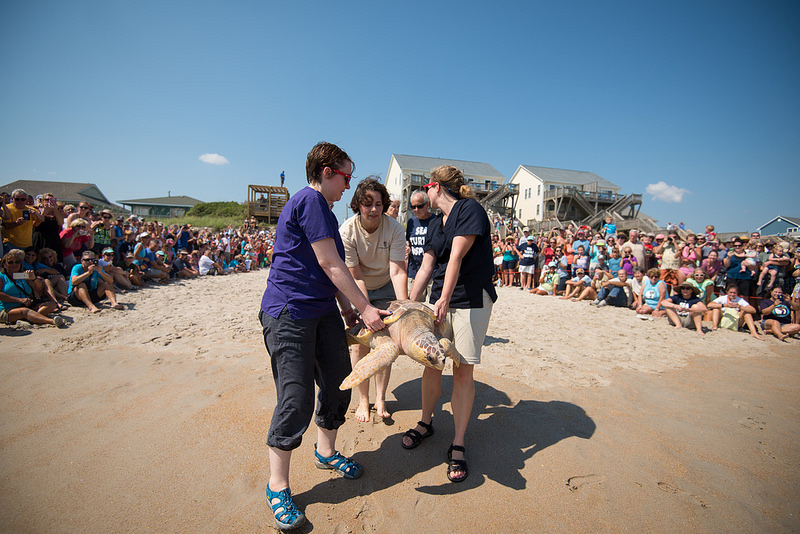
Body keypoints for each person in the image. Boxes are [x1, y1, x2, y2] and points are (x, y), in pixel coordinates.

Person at [259, 142, 389, 531]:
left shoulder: (327, 213)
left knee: (339, 383)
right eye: (346, 177)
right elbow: (330, 263)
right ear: (327, 170)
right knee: (295, 398)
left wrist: (348, 308)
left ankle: (326, 451)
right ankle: (277, 485)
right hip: (288, 312)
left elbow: (329, 270)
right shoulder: (310, 201)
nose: (348, 186)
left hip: (321, 311)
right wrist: (366, 309)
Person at [402, 164, 497, 484]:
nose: (424, 193)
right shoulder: (435, 223)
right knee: (431, 363)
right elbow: (427, 264)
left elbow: (456, 256)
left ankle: (458, 442)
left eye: (426, 186)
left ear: (437, 187)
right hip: (443, 301)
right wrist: (410, 304)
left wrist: (442, 299)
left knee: (461, 370)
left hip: (470, 301)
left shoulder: (469, 209)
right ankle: (426, 422)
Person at [340, 177, 408, 421]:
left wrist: (404, 308)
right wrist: (365, 308)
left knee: (385, 344)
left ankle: (380, 397)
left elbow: (398, 271)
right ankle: (363, 399)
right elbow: (355, 276)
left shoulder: (395, 228)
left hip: (387, 285)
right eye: (367, 204)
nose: (374, 210)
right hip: (359, 287)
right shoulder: (347, 231)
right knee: (360, 343)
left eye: (379, 204)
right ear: (358, 205)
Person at [0, 249, 64, 327]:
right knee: (25, 311)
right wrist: (19, 300)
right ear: (4, 265)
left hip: (26, 305)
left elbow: (38, 288)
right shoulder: (1, 277)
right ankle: (52, 321)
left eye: (17, 262)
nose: (14, 264)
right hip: (7, 308)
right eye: (10, 262)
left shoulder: (22, 275)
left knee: (52, 304)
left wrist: (33, 279)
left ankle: (32, 317)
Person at [406, 190, 434, 301]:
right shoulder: (411, 222)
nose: (416, 210)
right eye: (413, 207)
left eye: (420, 206)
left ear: (427, 205)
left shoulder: (436, 221)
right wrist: (407, 247)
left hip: (433, 275)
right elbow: (408, 241)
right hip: (413, 273)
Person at [2, 188, 44, 254]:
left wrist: (35, 213)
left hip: (27, 246)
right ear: (12, 199)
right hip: (11, 244)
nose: (20, 201)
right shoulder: (7, 208)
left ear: (26, 199)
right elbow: (6, 225)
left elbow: (42, 219)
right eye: (17, 199)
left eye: (23, 199)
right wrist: (17, 223)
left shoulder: (30, 209)